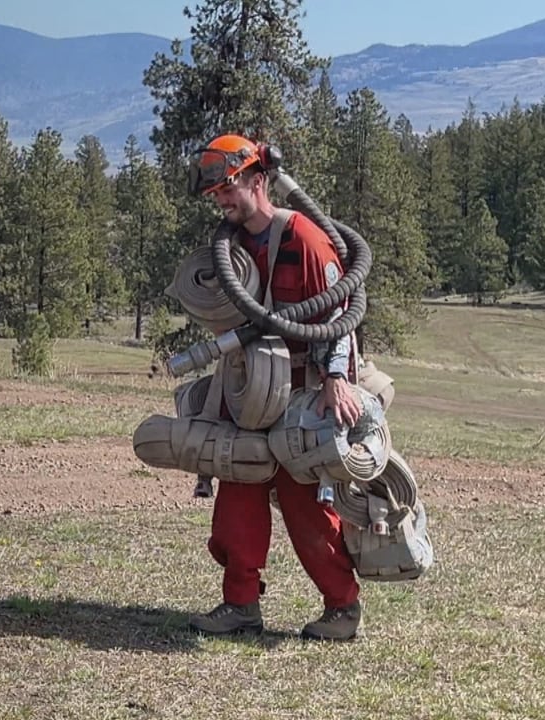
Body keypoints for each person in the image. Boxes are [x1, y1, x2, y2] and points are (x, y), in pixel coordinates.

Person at [183, 133, 365, 641]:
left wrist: (334, 379)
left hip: (304, 390)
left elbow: (339, 312)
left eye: (227, 189)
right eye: (215, 194)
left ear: (258, 181)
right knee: (238, 484)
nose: (220, 201)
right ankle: (240, 604)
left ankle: (343, 608)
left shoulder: (304, 239)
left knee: (304, 502)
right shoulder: (231, 247)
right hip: (251, 389)